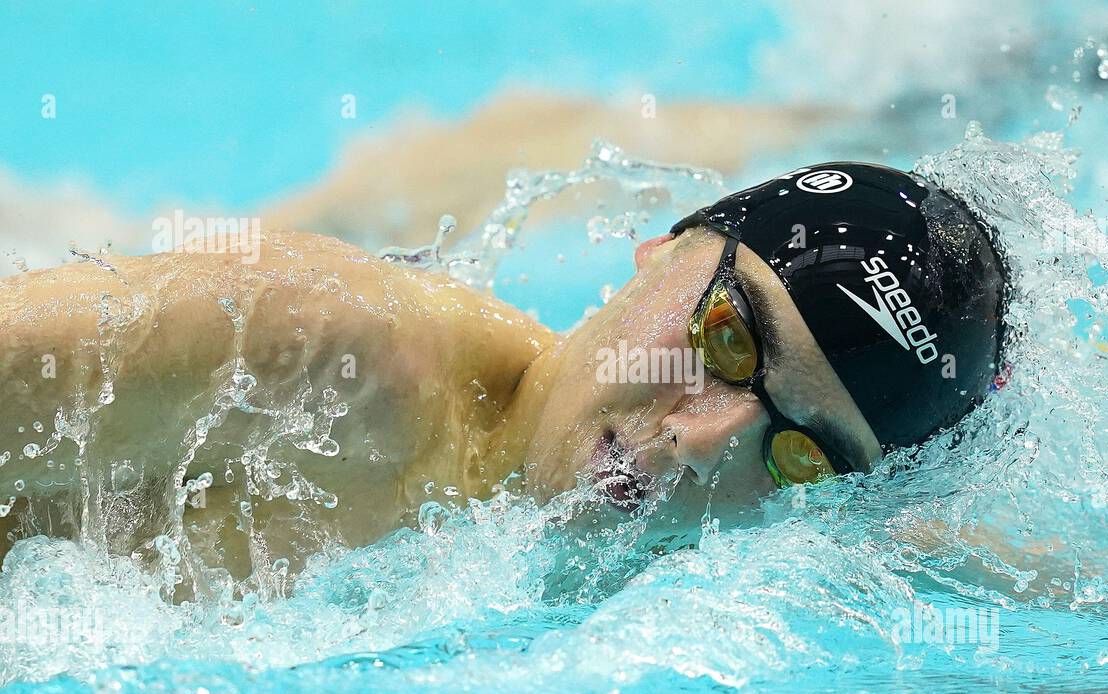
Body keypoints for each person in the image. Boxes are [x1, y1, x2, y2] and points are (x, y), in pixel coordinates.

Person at [0, 162, 1007, 580]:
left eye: (795, 456)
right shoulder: (319, 357)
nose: (700, 443)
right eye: (728, 341)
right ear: (661, 249)